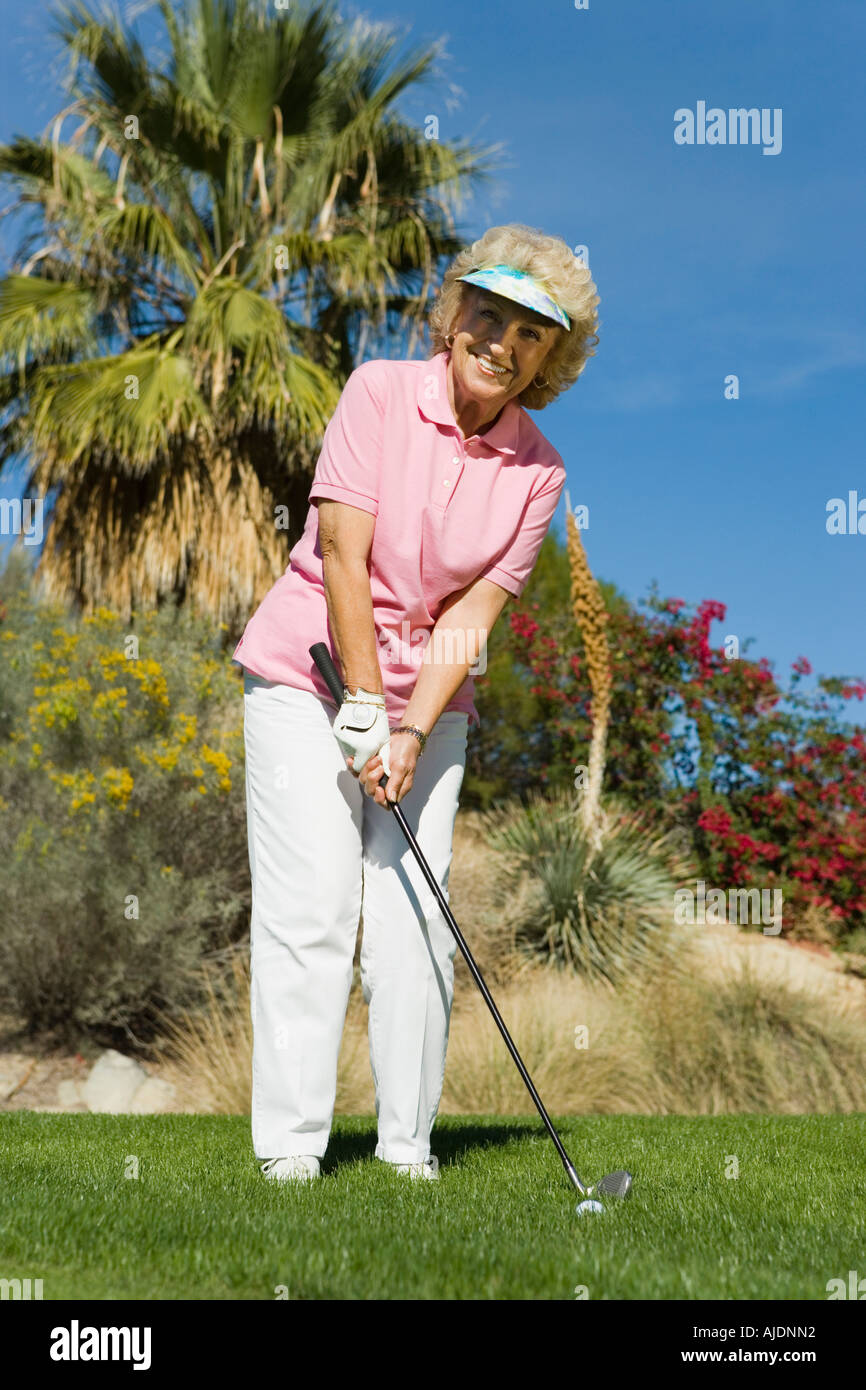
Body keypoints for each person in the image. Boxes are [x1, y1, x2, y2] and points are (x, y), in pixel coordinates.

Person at [232, 222, 600, 1181]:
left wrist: (407, 729)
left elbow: (470, 618)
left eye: (532, 333)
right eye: (489, 314)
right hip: (305, 671)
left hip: (428, 704)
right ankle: (292, 1153)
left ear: (551, 358)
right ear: (453, 314)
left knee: (412, 920)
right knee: (311, 910)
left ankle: (406, 1153)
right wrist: (360, 705)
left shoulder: (539, 471)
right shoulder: (379, 393)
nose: (502, 342)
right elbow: (344, 555)